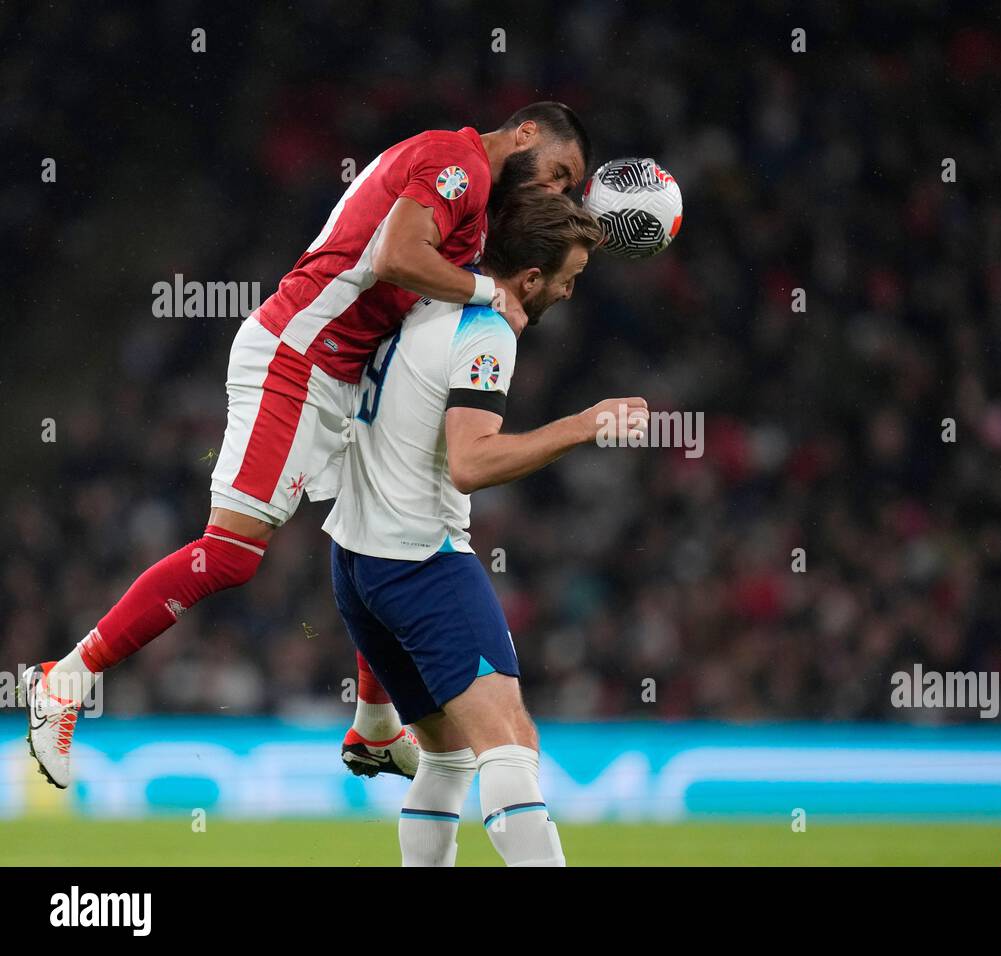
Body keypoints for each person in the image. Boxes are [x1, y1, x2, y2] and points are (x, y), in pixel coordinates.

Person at [20, 103, 592, 789]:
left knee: (382, 532)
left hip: (342, 373)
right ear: (526, 133)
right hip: (298, 359)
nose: (557, 190)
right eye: (560, 173)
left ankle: (376, 728)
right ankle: (66, 679)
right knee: (230, 554)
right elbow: (395, 256)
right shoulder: (458, 164)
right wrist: (488, 293)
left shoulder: (472, 190)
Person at [325, 190, 647, 866]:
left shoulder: (427, 290)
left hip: (354, 560)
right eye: (571, 275)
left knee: (446, 758)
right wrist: (584, 425)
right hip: (419, 561)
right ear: (530, 279)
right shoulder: (488, 329)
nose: (570, 288)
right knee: (510, 744)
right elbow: (471, 463)